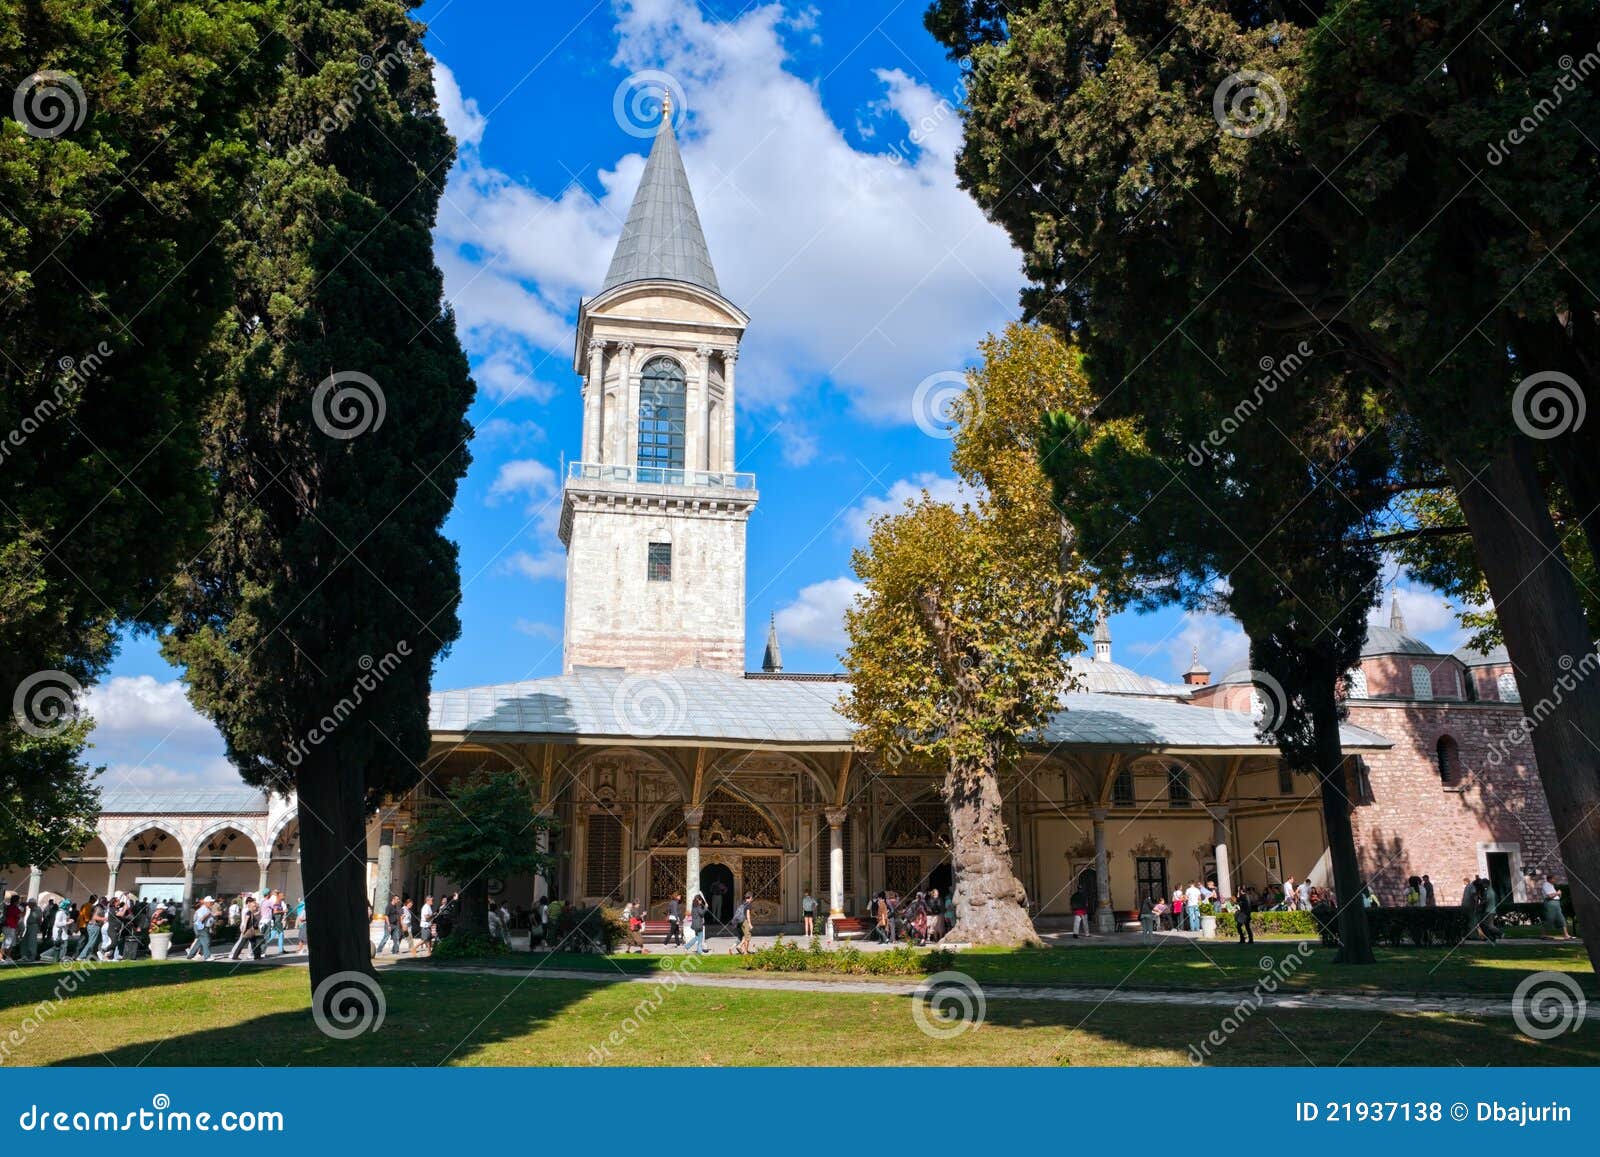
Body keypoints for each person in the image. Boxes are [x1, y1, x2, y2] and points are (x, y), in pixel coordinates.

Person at [1537, 875, 1571, 939]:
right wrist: (1557, 893)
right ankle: (1543, 935)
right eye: (1554, 879)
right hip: (1550, 903)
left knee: (1561, 918)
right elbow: (1549, 896)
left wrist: (1559, 894)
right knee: (1549, 919)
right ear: (1549, 879)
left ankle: (1566, 935)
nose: (1555, 880)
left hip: (1556, 903)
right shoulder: (1546, 885)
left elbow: (1557, 897)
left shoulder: (1551, 886)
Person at [188, 896, 216, 960]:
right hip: (201, 927)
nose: (212, 903)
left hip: (204, 927)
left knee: (199, 942)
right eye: (211, 902)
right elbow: (200, 920)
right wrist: (208, 915)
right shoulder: (203, 909)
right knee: (206, 941)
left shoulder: (207, 909)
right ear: (206, 902)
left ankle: (190, 955)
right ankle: (207, 956)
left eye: (212, 902)